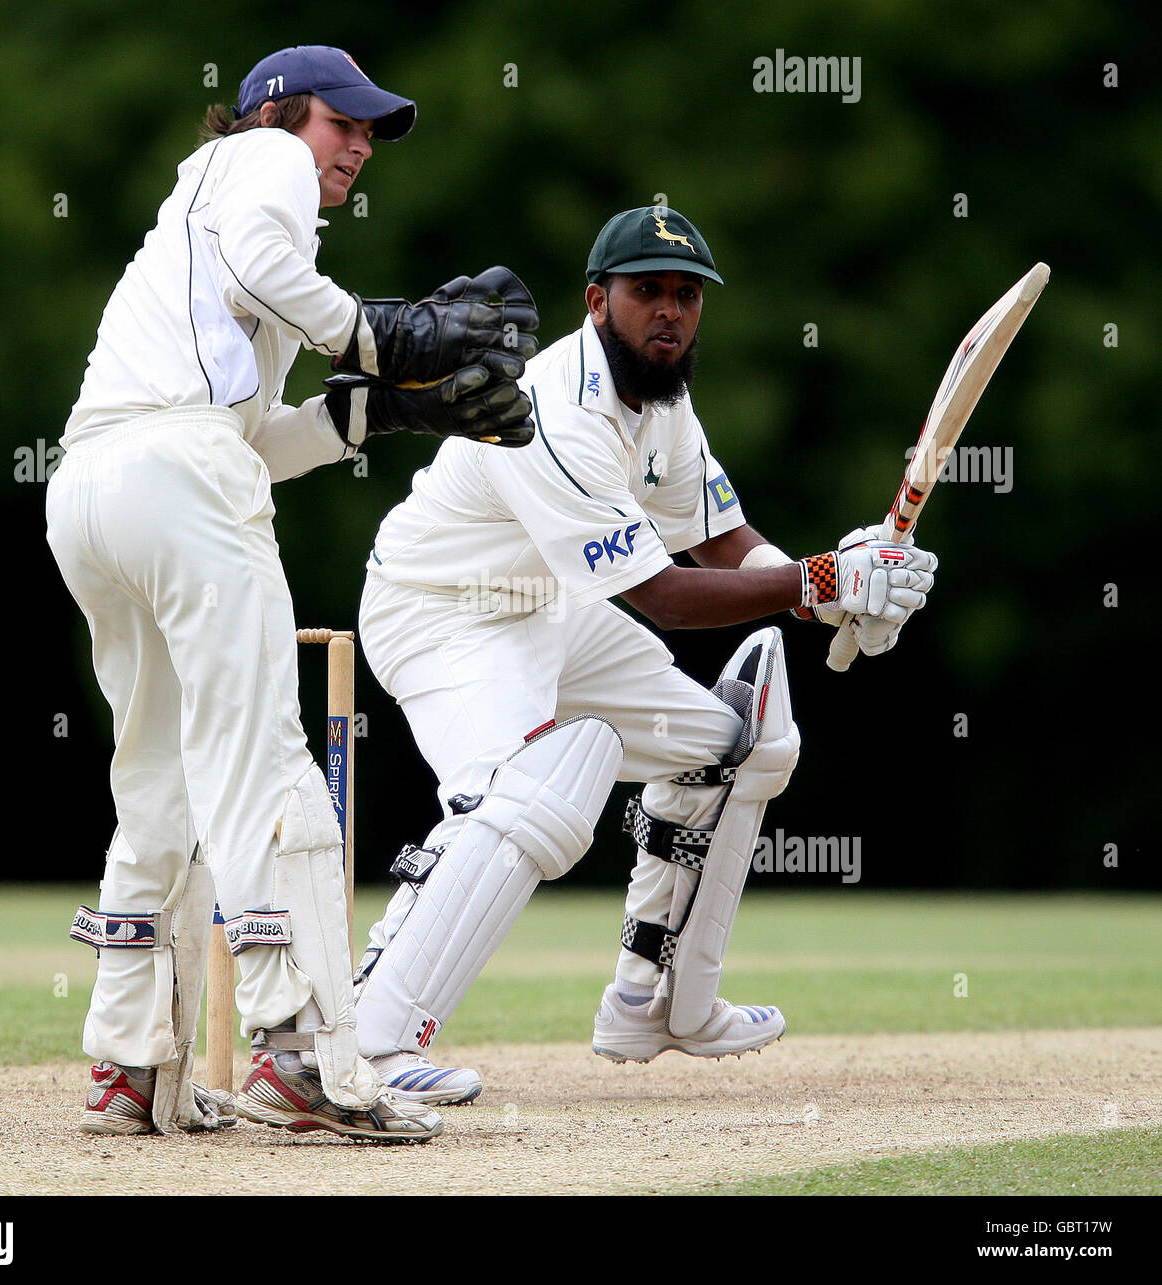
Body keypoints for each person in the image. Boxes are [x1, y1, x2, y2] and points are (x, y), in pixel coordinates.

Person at [47, 45, 538, 1142]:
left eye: (368, 134)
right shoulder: (260, 161)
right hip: (175, 479)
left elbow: (243, 436)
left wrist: (378, 409)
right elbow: (268, 280)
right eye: (342, 124)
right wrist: (384, 336)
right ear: (275, 114)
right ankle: (304, 1053)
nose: (358, 148)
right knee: (266, 755)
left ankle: (131, 1063)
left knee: (157, 772)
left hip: (90, 492)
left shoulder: (198, 218)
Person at [349, 207, 937, 1106]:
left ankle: (653, 1002)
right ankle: (370, 1037)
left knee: (735, 746)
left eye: (687, 295)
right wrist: (824, 577)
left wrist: (831, 596)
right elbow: (661, 595)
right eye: (647, 292)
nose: (670, 311)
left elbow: (722, 539)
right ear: (598, 300)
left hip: (548, 605)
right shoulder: (553, 409)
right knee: (524, 794)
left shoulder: (663, 401)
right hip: (441, 611)